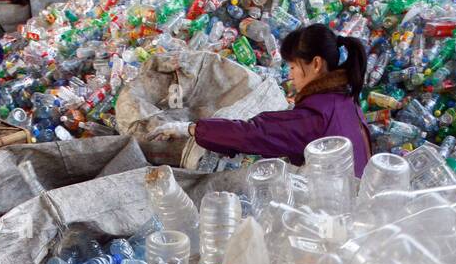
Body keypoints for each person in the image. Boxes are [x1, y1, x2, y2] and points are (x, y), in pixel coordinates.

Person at [157, 24, 373, 176]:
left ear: (316, 64)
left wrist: (190, 129)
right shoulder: (345, 100)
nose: (291, 75)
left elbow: (251, 133)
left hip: (338, 215)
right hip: (356, 199)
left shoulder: (315, 117)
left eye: (293, 67)